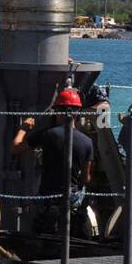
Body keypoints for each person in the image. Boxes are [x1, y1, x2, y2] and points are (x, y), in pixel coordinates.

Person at [11, 87, 94, 220]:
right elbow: (86, 178)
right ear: (77, 113)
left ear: (57, 111)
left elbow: (16, 148)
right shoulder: (87, 142)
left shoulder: (48, 134)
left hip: (48, 196)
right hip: (71, 198)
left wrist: (23, 129)